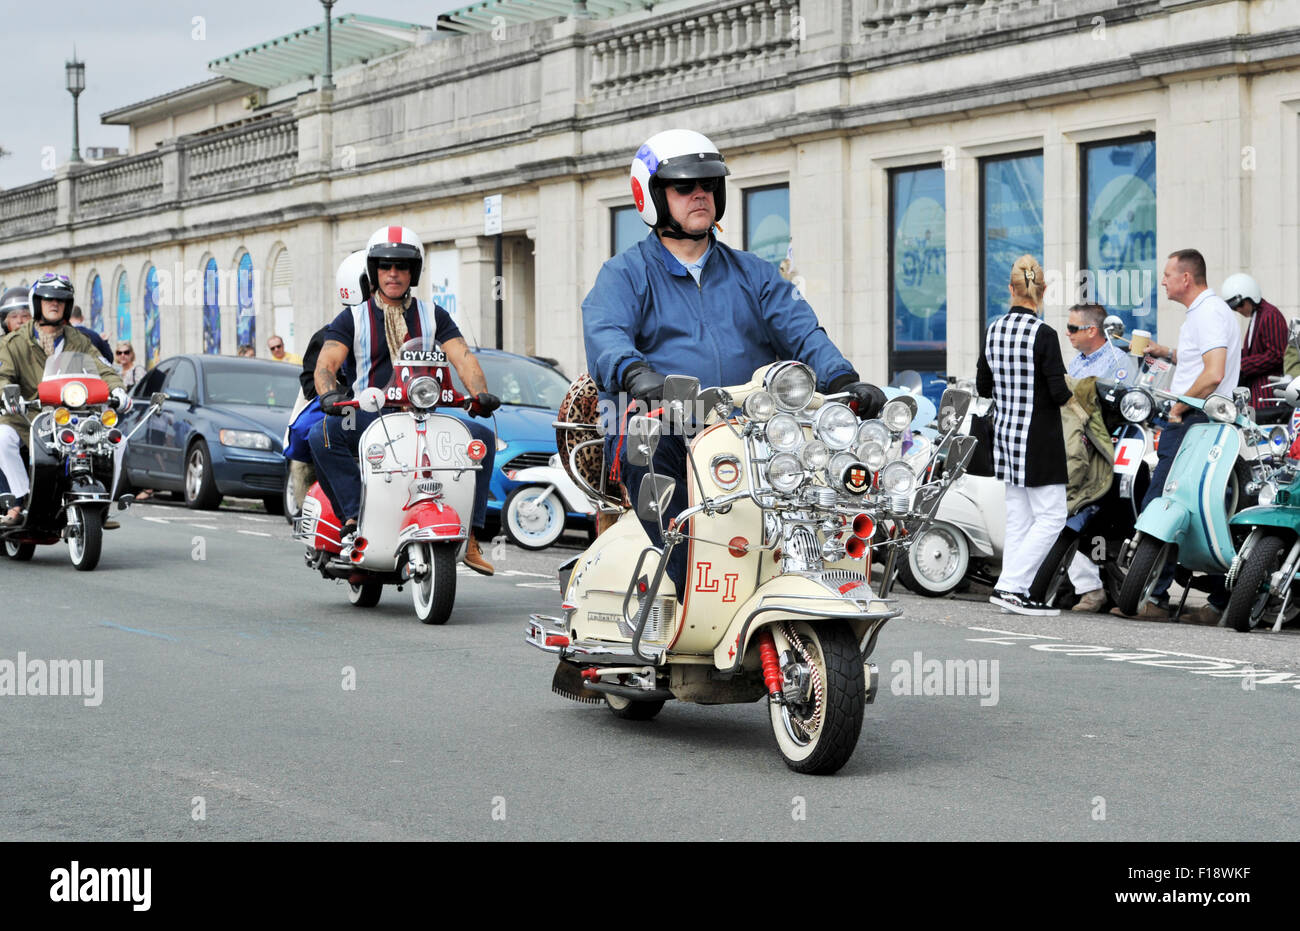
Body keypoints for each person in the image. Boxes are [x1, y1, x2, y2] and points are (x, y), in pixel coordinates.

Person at [582, 128, 885, 603]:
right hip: (669, 418)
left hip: (751, 421)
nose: (700, 193)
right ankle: (689, 587)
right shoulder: (624, 274)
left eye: (709, 184)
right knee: (650, 439)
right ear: (653, 196)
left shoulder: (754, 274)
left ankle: (825, 573)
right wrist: (636, 375)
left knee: (829, 452)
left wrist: (845, 381)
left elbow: (803, 332)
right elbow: (606, 333)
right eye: (685, 186)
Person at [310, 225, 500, 574]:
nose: (393, 274)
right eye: (385, 266)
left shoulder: (434, 315)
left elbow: (464, 357)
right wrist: (328, 394)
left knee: (483, 439)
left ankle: (471, 535)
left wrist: (479, 394)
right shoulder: (352, 317)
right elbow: (327, 364)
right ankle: (353, 519)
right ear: (374, 271)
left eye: (401, 267)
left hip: (424, 412)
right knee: (321, 435)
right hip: (372, 414)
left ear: (413, 272)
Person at [1113, 249, 1242, 622]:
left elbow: (1214, 373)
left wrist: (1179, 408)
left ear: (1187, 278)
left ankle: (1156, 596)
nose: (1163, 281)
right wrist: (1165, 352)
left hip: (1193, 420)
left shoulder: (1210, 312)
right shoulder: (1206, 313)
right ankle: (1179, 597)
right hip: (1198, 419)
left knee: (1164, 502)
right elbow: (1200, 363)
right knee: (1194, 509)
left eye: (1168, 274)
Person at [975, 255, 1072, 616]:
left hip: (1005, 438)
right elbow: (1059, 393)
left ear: (1011, 289)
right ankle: (1014, 587)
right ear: (1042, 290)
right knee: (1052, 517)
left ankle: (1008, 588)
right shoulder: (1044, 334)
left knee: (1019, 518)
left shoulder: (993, 330)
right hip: (1040, 439)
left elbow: (984, 386)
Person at [0, 274, 126, 526]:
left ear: (67, 305)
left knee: (118, 441)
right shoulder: (14, 342)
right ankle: (21, 499)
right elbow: (3, 374)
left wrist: (118, 390)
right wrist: (7, 395)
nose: (54, 304)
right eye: (48, 299)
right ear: (37, 303)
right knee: (2, 438)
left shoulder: (79, 340)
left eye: (60, 299)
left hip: (71, 416)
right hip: (26, 417)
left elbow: (104, 368)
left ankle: (103, 503)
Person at [1061, 302, 1128, 612]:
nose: (1068, 333)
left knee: (1071, 515)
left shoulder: (1118, 361)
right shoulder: (1075, 365)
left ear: (1092, 330)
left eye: (1073, 328)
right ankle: (1083, 585)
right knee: (1058, 514)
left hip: (1103, 455)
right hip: (1075, 451)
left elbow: (1122, 412)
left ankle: (1091, 588)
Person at [1221, 273, 1288, 423]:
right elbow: (1254, 351)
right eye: (1235, 307)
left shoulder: (1270, 315)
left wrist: (1242, 364)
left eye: (1240, 305)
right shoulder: (1258, 316)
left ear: (1251, 297)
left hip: (1268, 393)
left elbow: (1276, 354)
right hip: (1258, 392)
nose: (1238, 310)